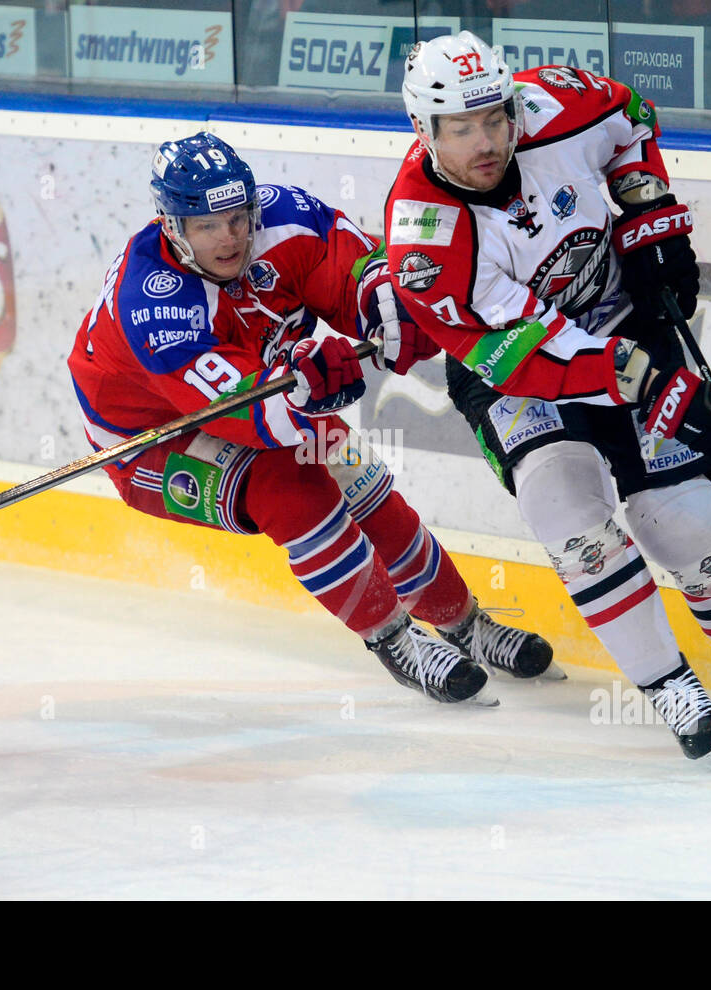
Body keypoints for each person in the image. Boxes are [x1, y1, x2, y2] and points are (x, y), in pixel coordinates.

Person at [382, 32, 711, 760]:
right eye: (463, 129)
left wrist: (649, 223)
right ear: (424, 129)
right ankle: (671, 688)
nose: (488, 142)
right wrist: (673, 396)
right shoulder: (426, 242)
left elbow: (633, 120)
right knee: (574, 521)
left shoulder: (556, 103)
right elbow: (535, 356)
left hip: (623, 318)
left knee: (685, 528)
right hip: (512, 368)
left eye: (497, 119)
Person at [68, 131, 556, 704]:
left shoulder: (283, 218)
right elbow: (236, 411)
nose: (229, 238)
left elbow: (349, 265)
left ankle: (464, 623)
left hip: (257, 391)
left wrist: (386, 306)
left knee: (359, 477)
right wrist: (301, 387)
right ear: (172, 227)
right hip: (149, 437)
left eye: (237, 217)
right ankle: (393, 637)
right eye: (207, 226)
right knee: (293, 488)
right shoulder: (154, 300)